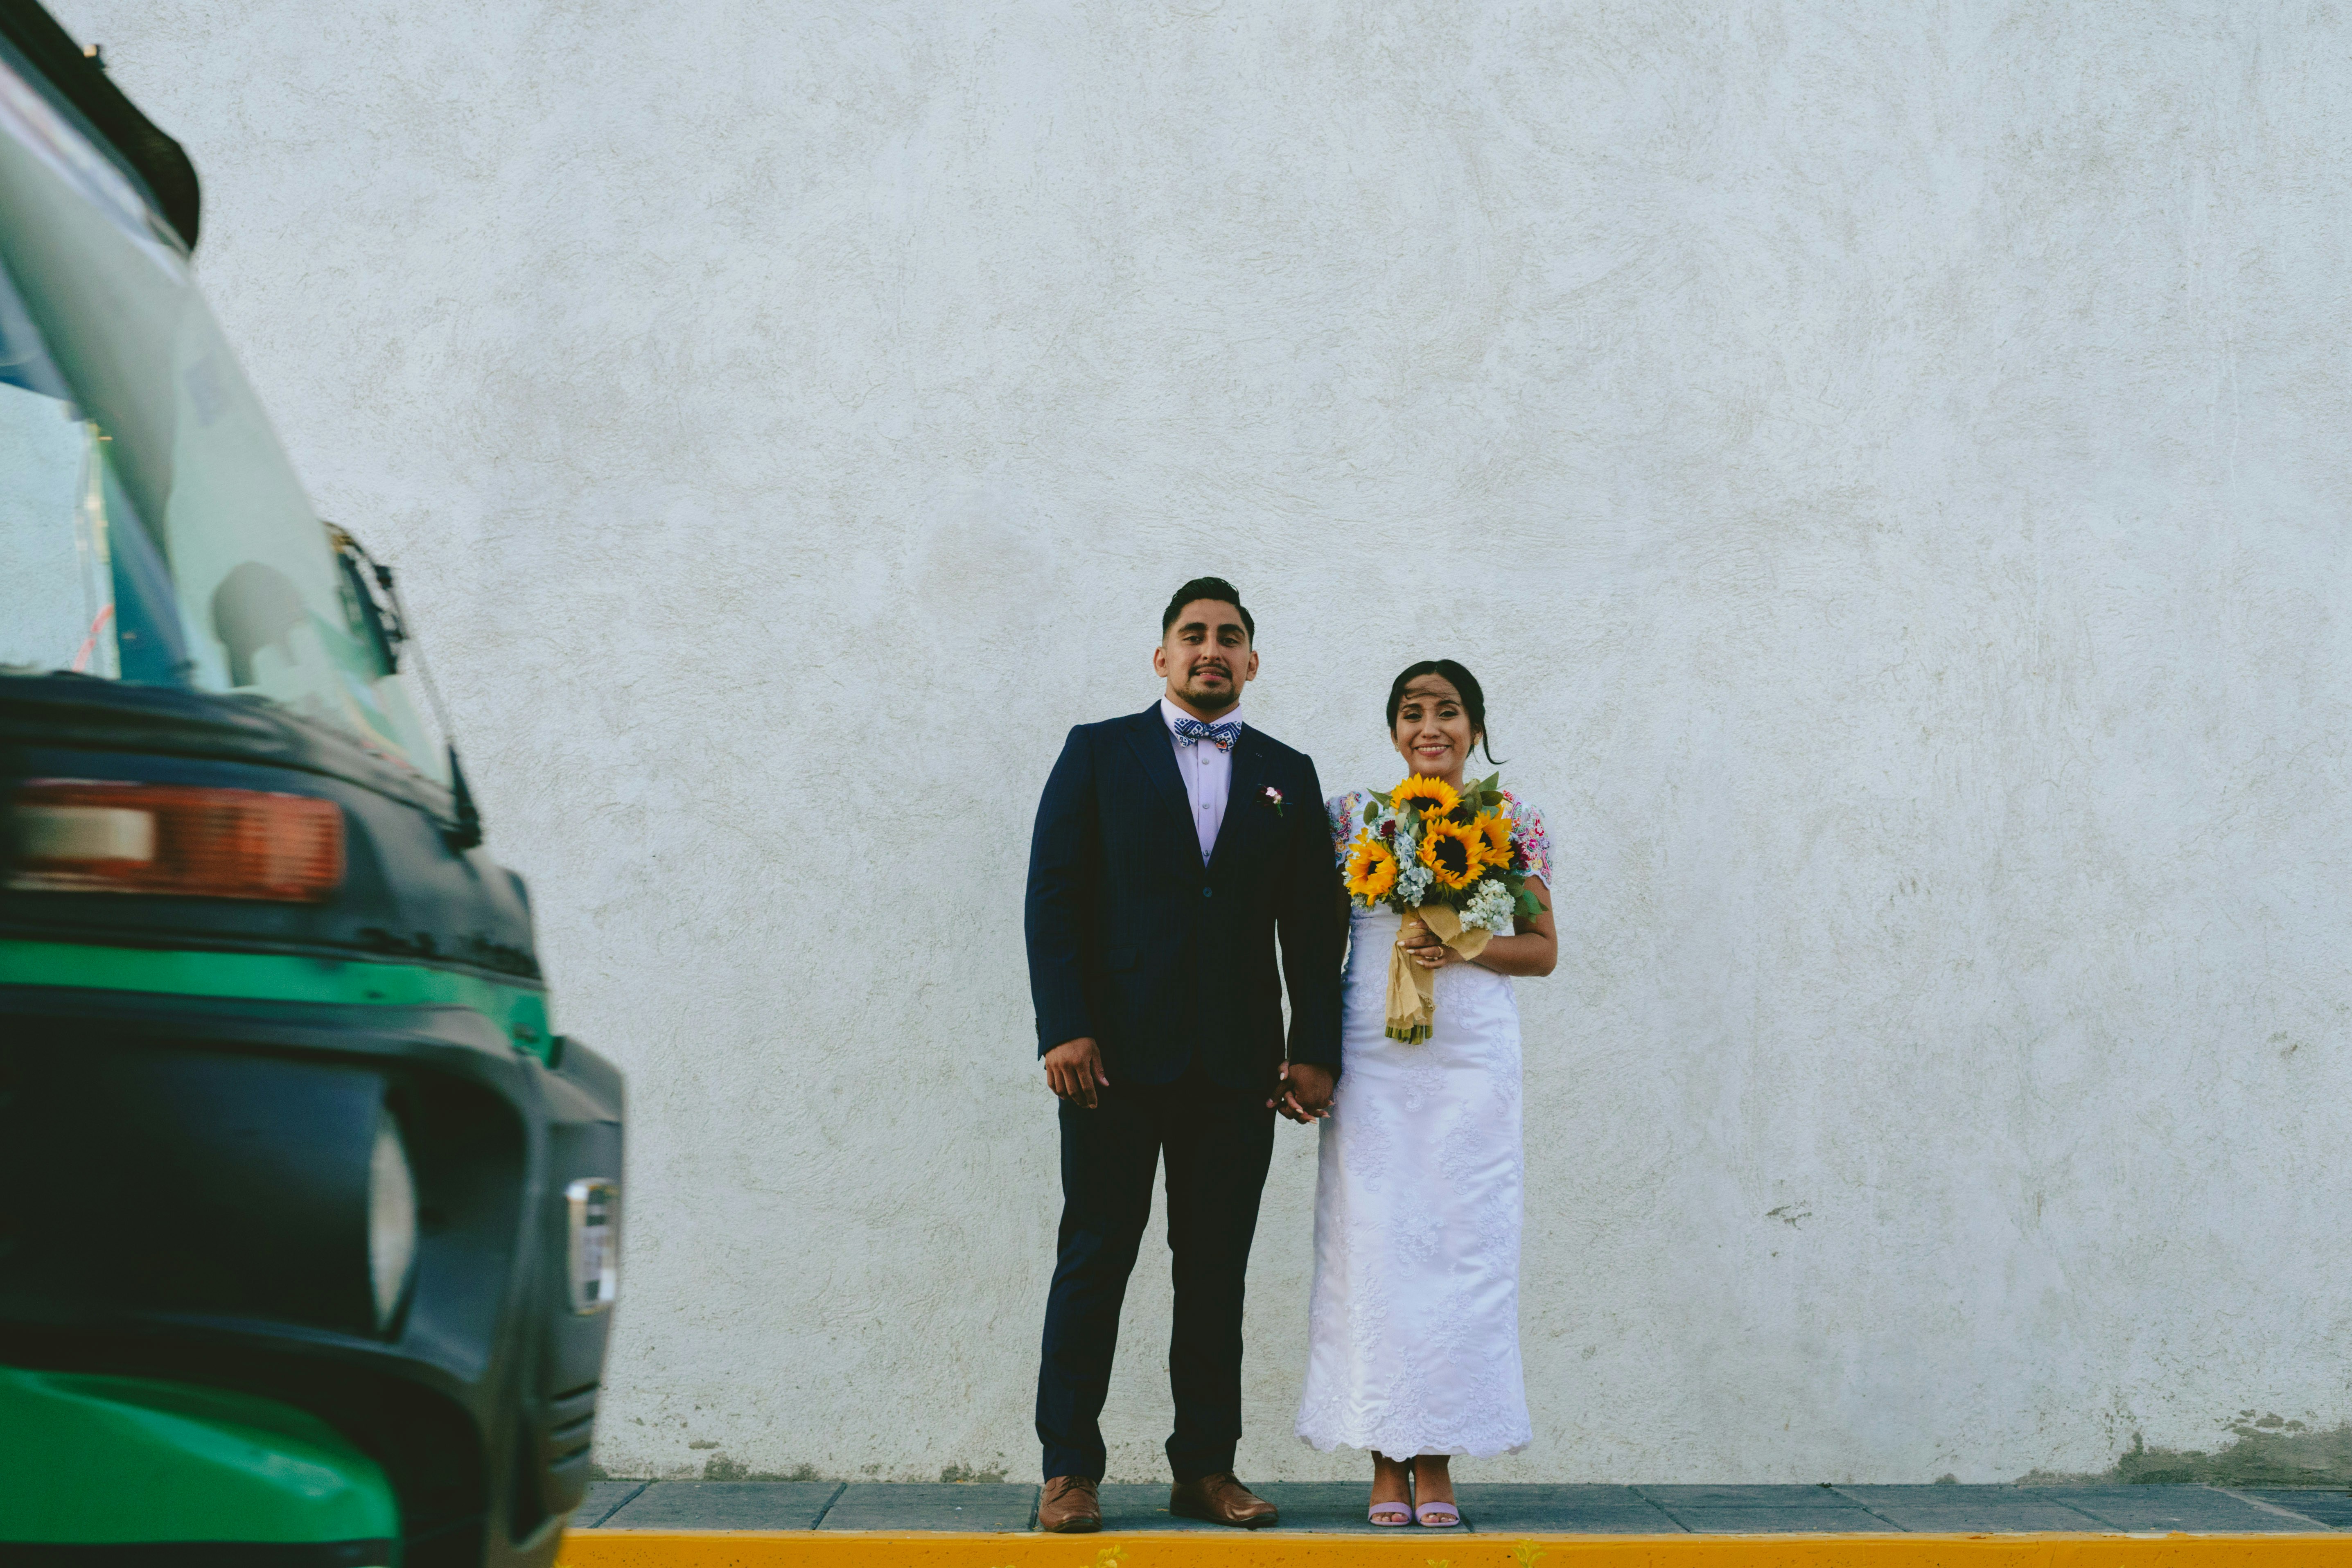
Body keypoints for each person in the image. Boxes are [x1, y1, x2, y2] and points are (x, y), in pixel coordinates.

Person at [1025, 576, 1346, 1533]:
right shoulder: (1097, 752)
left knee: (1213, 1274)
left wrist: (1313, 1046)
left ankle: (1204, 1466)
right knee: (1094, 1259)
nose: (1211, 649)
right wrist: (1063, 1025)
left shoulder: (1286, 772)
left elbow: (1313, 923)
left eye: (1229, 636)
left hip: (1236, 1066)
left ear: (1251, 660)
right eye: (1194, 634)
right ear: (1162, 654)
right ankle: (1068, 1469)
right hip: (1111, 1062)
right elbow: (1054, 895)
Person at [1293, 660, 1557, 1528]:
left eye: (1447, 711)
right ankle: (1383, 1451)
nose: (1429, 726)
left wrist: (1464, 942)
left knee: (1460, 1244)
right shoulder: (1350, 817)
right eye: (1412, 713)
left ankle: (1437, 1455)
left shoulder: (1511, 820)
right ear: (1393, 730)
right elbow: (1317, 939)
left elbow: (1541, 950)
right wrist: (1307, 1050)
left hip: (1470, 1054)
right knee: (1373, 1244)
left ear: (1475, 727)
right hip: (1375, 1050)